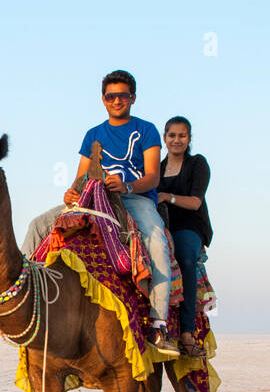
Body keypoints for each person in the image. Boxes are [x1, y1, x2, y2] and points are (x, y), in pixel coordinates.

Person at [21, 70, 179, 356]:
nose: (117, 101)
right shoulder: (93, 134)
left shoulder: (146, 130)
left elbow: (153, 176)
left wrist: (127, 185)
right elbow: (81, 177)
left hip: (135, 199)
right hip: (91, 198)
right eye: (111, 96)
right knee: (38, 225)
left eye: (122, 95)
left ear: (132, 97)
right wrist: (70, 192)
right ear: (103, 100)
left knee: (156, 243)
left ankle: (158, 324)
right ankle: (21, 298)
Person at [157, 116, 213, 357]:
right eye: (172, 135)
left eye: (182, 135)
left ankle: (187, 332)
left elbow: (195, 202)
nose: (176, 140)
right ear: (164, 138)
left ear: (189, 138)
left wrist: (167, 196)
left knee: (185, 259)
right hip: (162, 224)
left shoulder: (197, 164)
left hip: (190, 224)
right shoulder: (156, 169)